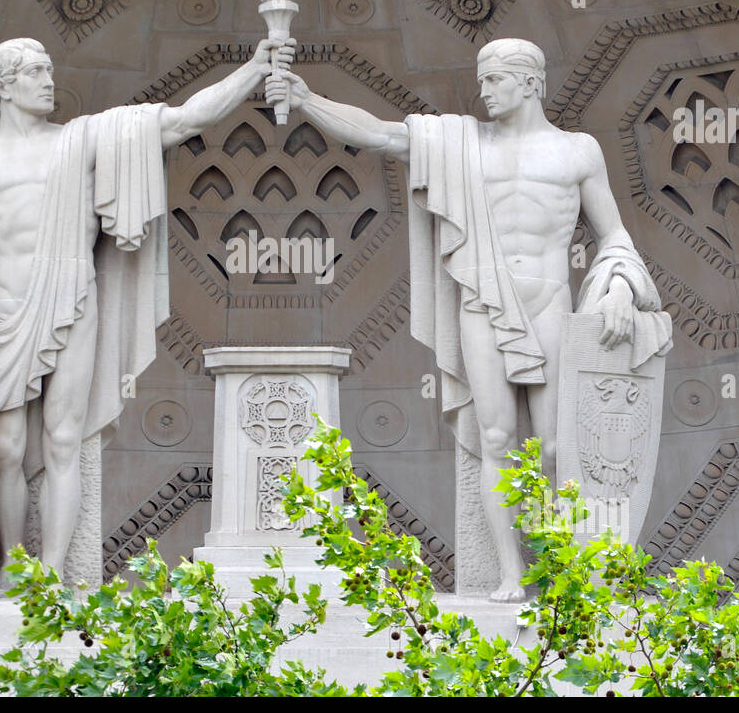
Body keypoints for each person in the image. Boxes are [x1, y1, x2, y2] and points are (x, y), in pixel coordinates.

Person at [267, 38, 670, 600]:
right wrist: (309, 101)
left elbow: (615, 234)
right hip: (483, 302)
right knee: (498, 437)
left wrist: (623, 287)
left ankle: (567, 573)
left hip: (552, 301)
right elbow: (382, 134)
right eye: (481, 80)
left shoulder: (578, 151)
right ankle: (510, 573)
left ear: (529, 81)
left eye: (494, 79)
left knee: (559, 447)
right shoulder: (461, 144)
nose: (482, 91)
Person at [0, 35, 296, 585]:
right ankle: (15, 563)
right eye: (36, 72)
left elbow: (180, 123)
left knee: (64, 441)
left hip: (72, 302)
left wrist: (253, 70)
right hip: (5, 312)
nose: (48, 80)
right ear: (4, 86)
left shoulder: (84, 140)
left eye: (49, 69)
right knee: (5, 448)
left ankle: (52, 576)